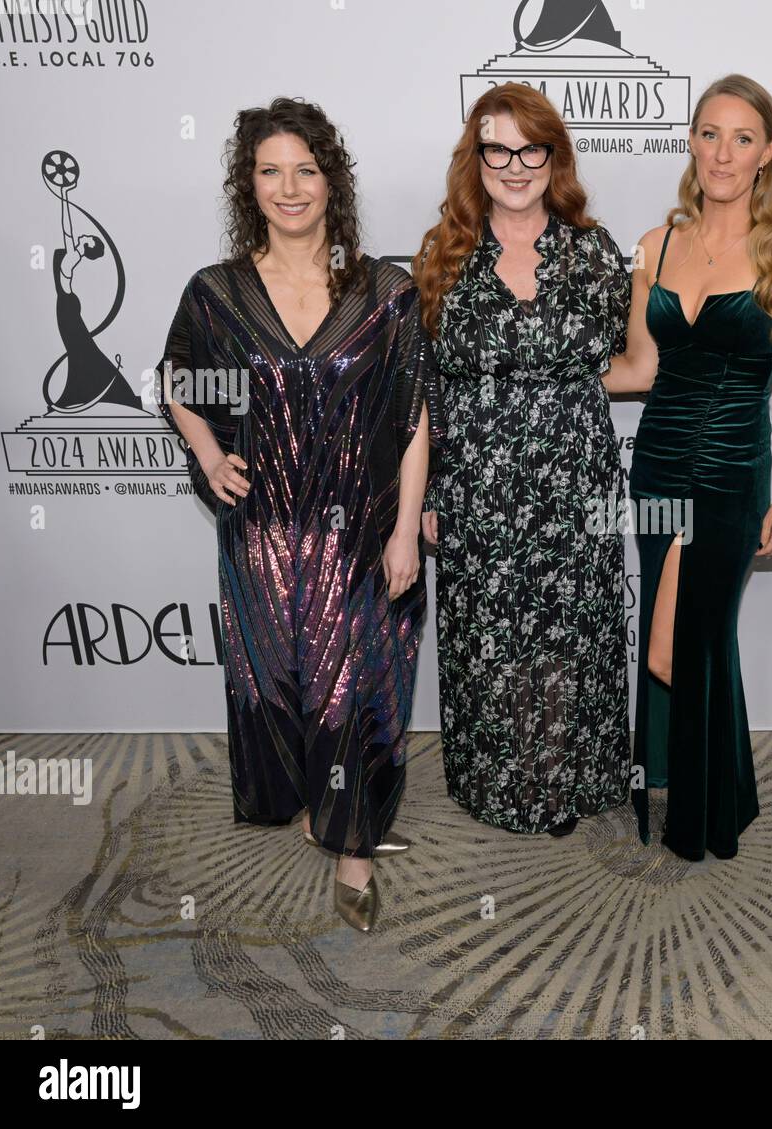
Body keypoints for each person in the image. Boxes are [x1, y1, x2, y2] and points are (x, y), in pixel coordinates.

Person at [154, 97, 441, 933]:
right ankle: (319, 806)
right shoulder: (217, 293)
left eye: (305, 171)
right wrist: (209, 456)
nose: (289, 188)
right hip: (266, 534)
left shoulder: (384, 290)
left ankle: (353, 848)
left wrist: (403, 529)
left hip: (363, 533)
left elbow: (416, 414)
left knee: (362, 687)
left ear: (331, 181)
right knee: (282, 686)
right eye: (270, 171)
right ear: (249, 185)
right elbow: (175, 379)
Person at [604, 75, 772, 861]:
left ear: (768, 152)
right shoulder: (656, 244)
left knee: (685, 644)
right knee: (684, 644)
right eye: (709, 134)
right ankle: (719, 791)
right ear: (690, 143)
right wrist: (545, 372)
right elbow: (636, 367)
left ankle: (709, 809)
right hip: (658, 465)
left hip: (734, 470)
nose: (722, 153)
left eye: (741, 138)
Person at [415, 83, 631, 837]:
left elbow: (630, 361)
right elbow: (427, 388)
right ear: (475, 159)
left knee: (569, 632)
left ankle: (562, 780)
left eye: (529, 148)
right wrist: (431, 491)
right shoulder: (442, 255)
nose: (514, 165)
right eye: (496, 149)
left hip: (575, 480)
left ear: (552, 155)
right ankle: (500, 783)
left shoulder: (593, 252)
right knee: (491, 633)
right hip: (476, 481)